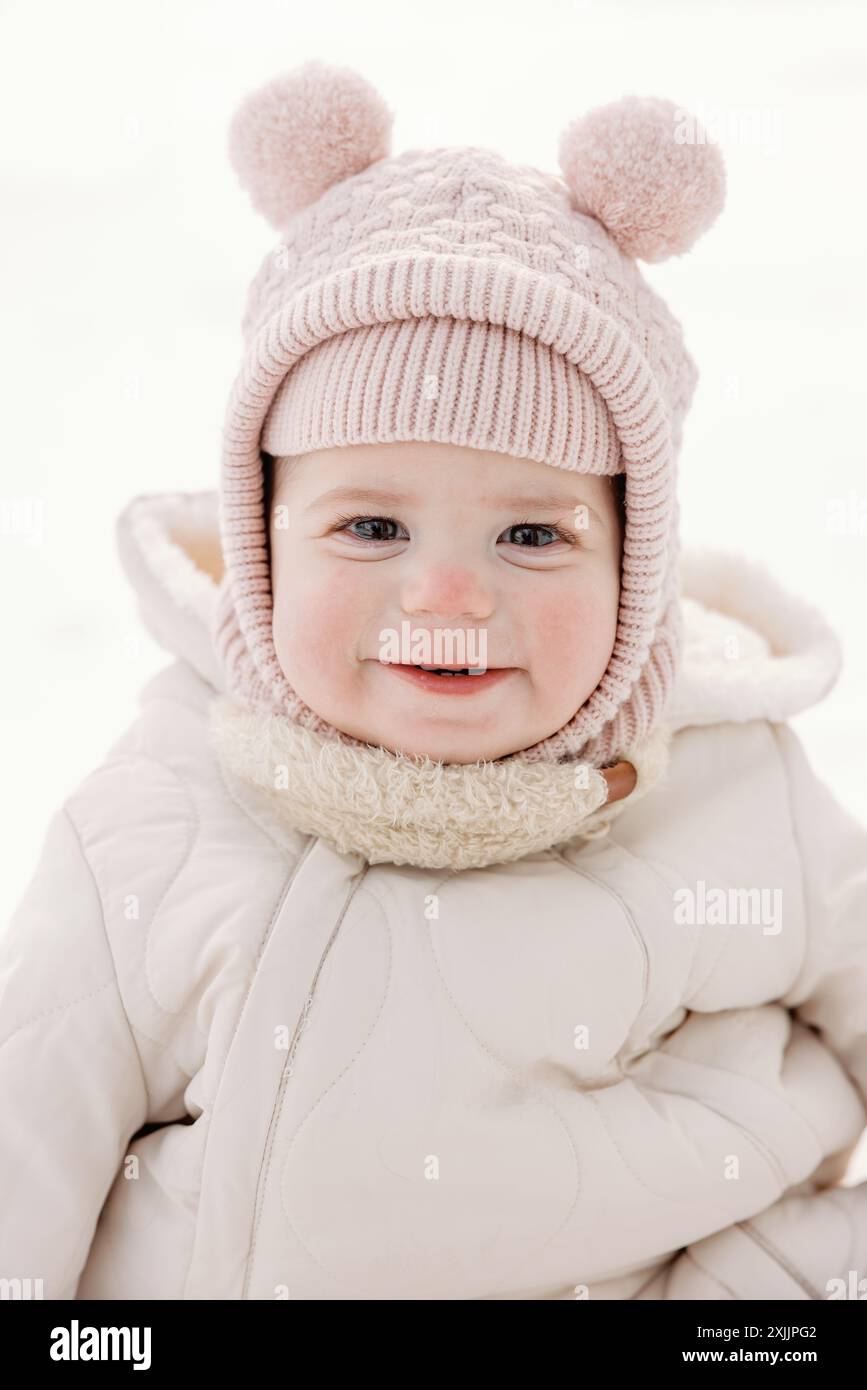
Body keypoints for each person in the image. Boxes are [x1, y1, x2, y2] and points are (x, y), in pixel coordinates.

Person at [1, 60, 865, 1301]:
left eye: (532, 535)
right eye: (370, 530)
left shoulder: (736, 797)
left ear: (636, 565)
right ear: (262, 544)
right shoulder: (155, 824)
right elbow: (23, 1144)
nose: (447, 597)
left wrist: (782, 1291)